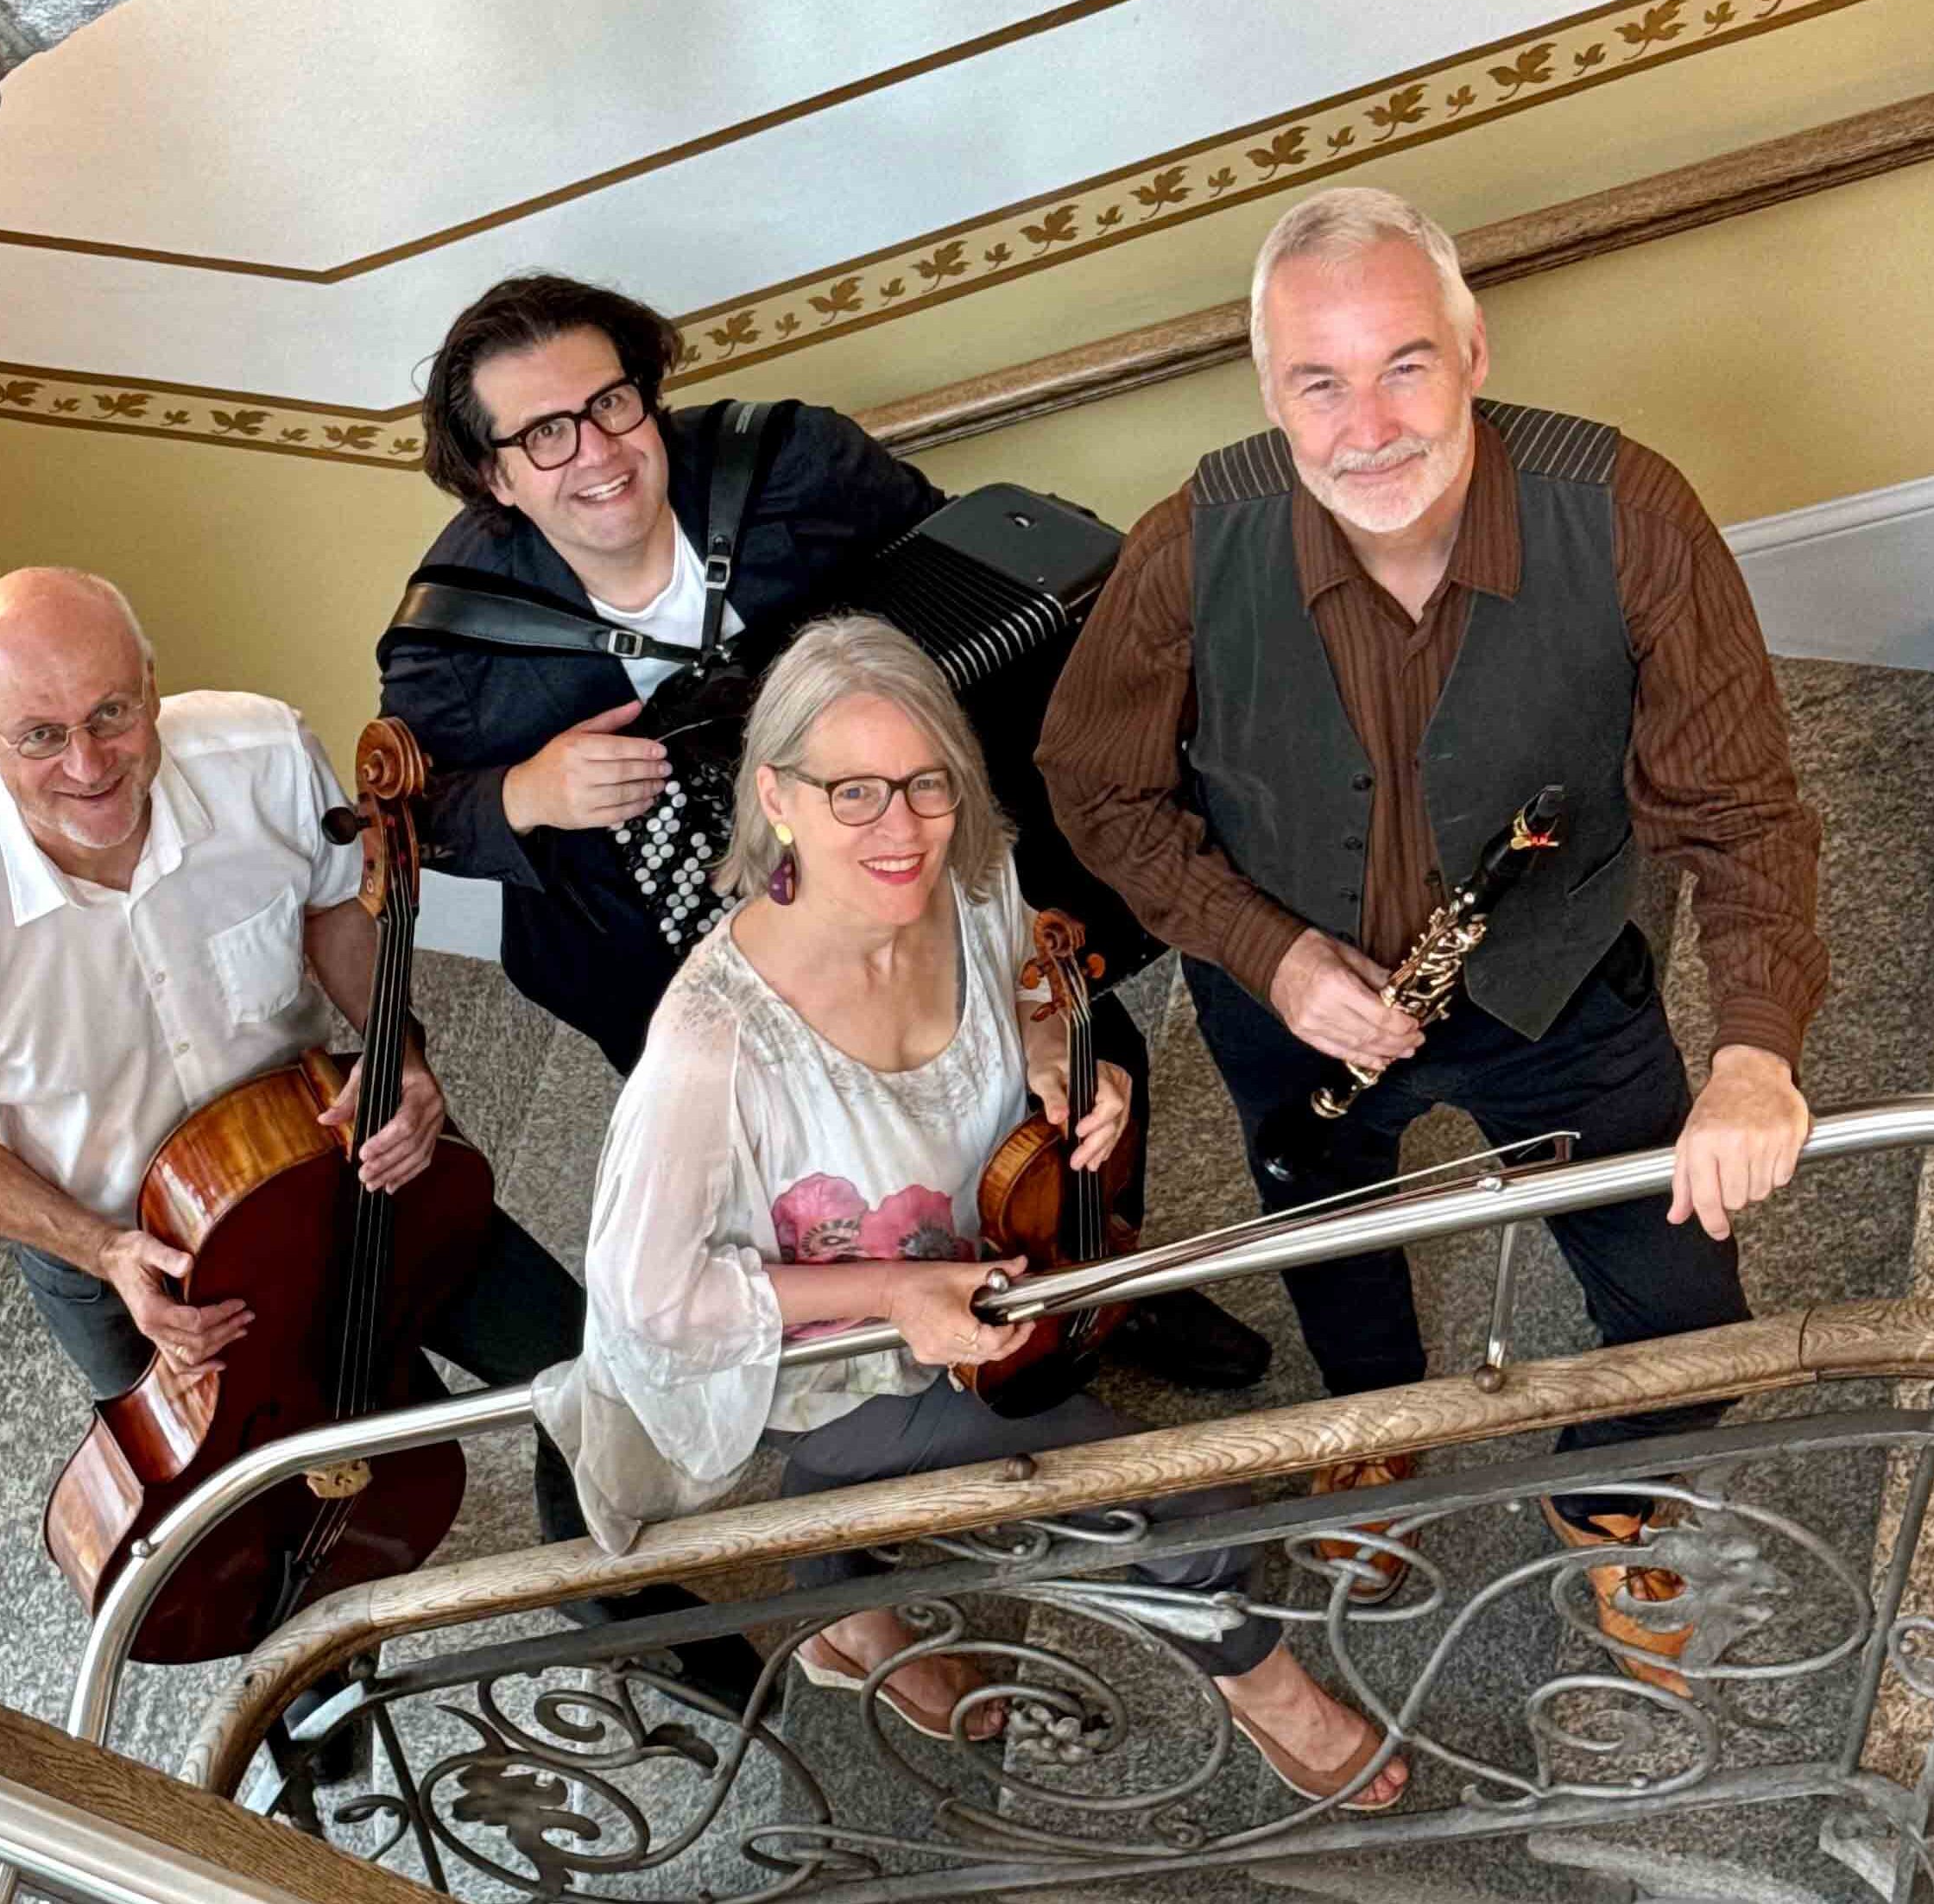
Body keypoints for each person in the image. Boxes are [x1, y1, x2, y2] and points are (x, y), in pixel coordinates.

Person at [1038, 187, 1827, 1694]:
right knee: (1335, 1252)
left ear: (1473, 346)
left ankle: (1604, 1482)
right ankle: (1375, 1434)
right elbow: (1099, 790)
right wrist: (1265, 953)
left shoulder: (1632, 516)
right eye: (1317, 383)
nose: (1367, 426)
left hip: (1563, 977)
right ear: (1269, 396)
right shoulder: (1192, 546)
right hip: (1294, 1015)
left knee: (1685, 1307)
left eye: (1404, 362)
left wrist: (1755, 1053)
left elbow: (1743, 812)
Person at [0, 566, 761, 1710]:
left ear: (151, 684)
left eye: (114, 714)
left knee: (589, 1373)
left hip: (342, 1163)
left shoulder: (262, 755)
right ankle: (319, 1685)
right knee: (247, 1500)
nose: (89, 765)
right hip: (141, 1248)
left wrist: (402, 1052)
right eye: (41, 735)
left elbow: (335, 910)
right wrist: (100, 1250)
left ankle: (635, 1602)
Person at [539, 617, 1406, 1810]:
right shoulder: (711, 1045)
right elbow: (651, 1303)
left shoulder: (973, 878)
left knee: (984, 1441)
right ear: (778, 798)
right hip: (831, 1362)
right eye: (854, 792)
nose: (900, 829)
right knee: (1170, 1485)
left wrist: (1063, 1062)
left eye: (926, 782)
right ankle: (1268, 1688)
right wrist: (895, 1296)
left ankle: (851, 1615)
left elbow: (1029, 989)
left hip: (991, 1275)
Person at [382, 270, 1273, 1395]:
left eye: (612, 404)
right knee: (818, 1165)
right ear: (494, 477)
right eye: (544, 436)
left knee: (1071, 1059)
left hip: (889, 852)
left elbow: (948, 572)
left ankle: (1095, 1275)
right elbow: (408, 819)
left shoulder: (789, 466)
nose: (597, 454)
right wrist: (526, 793)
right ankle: (877, 1353)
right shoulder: (456, 636)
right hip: (652, 944)